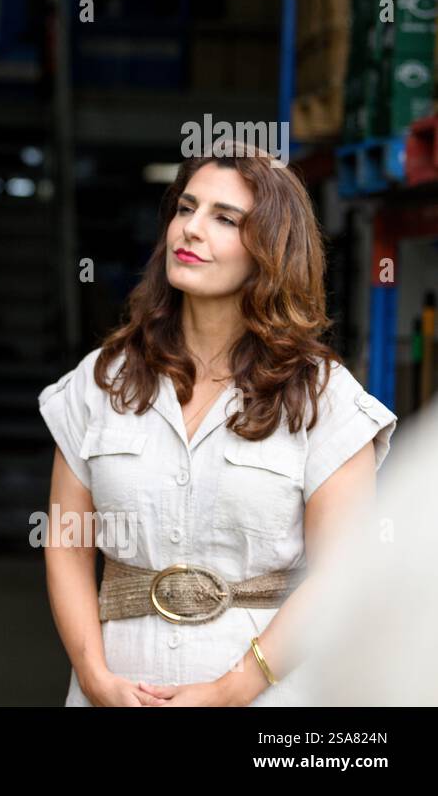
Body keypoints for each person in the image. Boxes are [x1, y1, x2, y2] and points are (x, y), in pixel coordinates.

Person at [40, 144, 396, 706]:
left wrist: (233, 690)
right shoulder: (101, 381)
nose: (191, 230)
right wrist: (93, 676)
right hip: (117, 691)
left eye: (224, 219)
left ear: (271, 250)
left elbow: (342, 572)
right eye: (186, 209)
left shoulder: (323, 398)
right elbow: (67, 544)